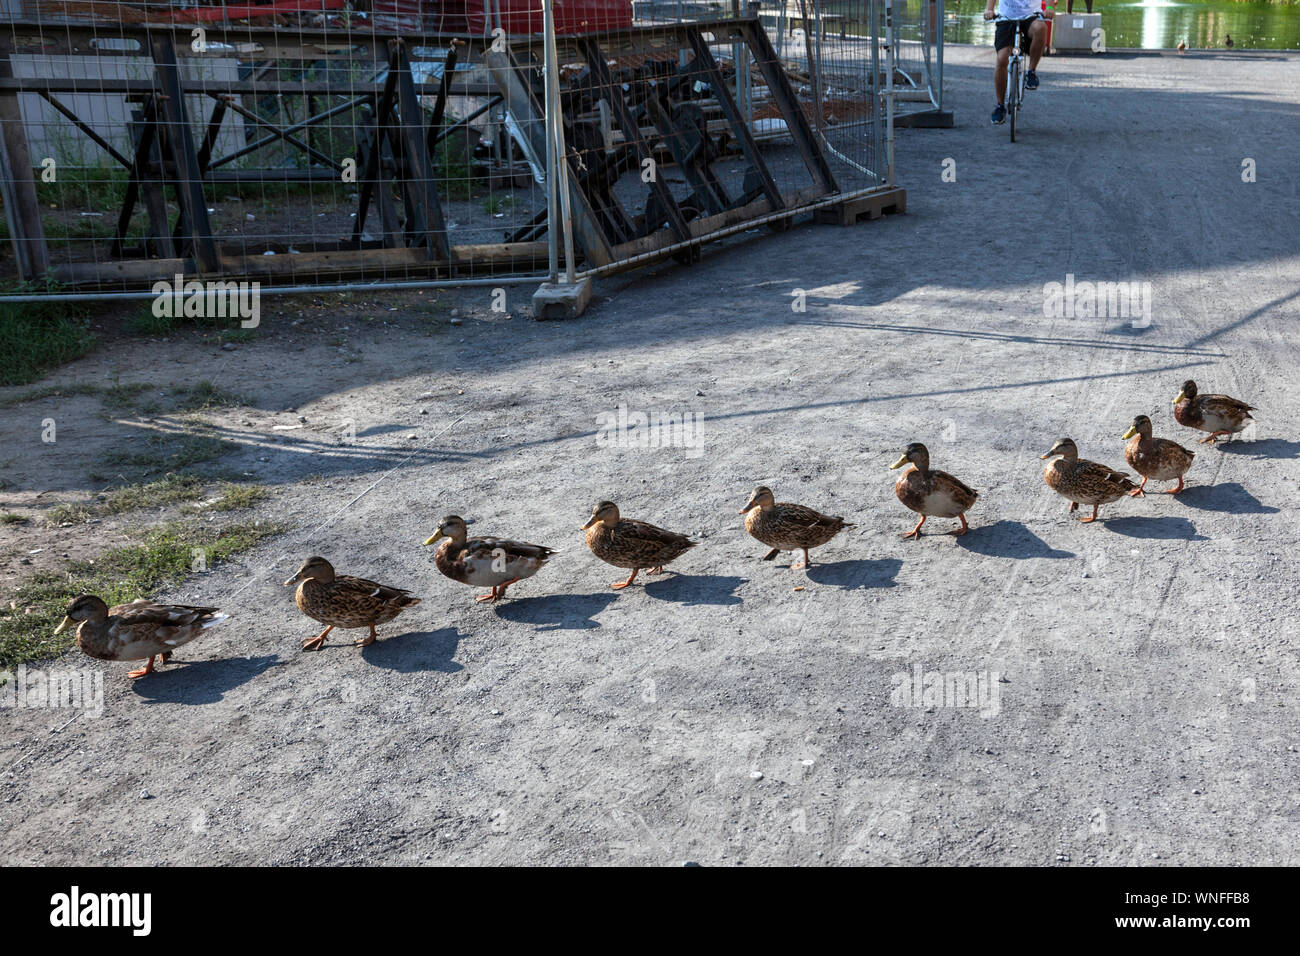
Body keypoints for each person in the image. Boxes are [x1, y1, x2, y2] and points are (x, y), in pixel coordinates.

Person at [984, 0, 1052, 125]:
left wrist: (1048, 7)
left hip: (1031, 17)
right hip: (1006, 18)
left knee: (1041, 28)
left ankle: (1031, 71)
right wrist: (989, 9)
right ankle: (1000, 106)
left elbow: (1049, 2)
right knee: (1002, 58)